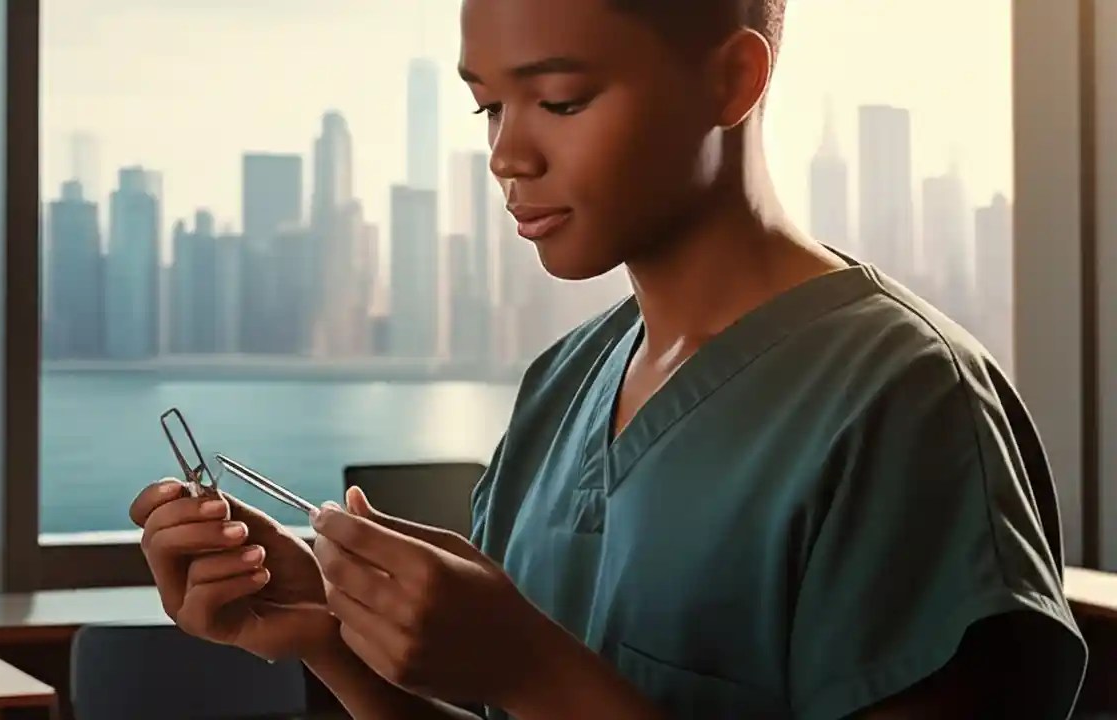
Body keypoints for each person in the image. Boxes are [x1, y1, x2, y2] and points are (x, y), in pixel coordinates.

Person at [129, 0, 1089, 717]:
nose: (509, 154)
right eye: (488, 109)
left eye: (559, 99)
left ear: (733, 82)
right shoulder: (561, 387)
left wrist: (533, 669)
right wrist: (331, 640)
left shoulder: (905, 404)